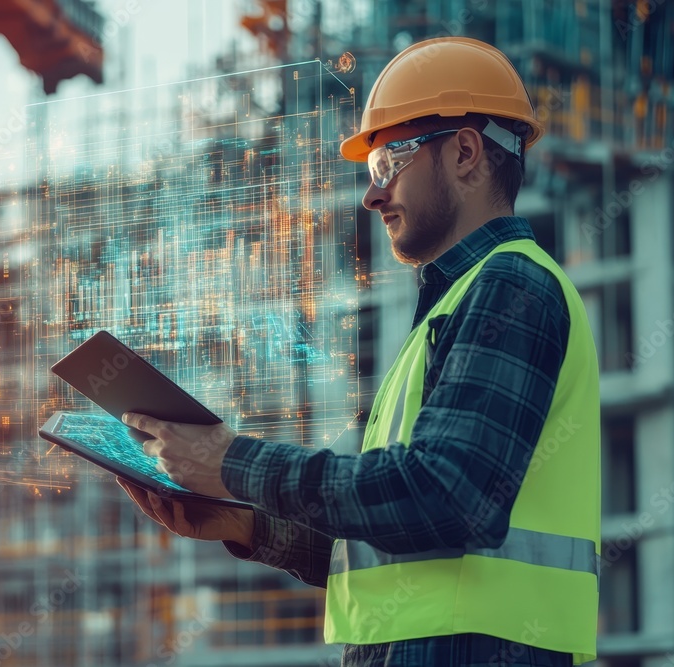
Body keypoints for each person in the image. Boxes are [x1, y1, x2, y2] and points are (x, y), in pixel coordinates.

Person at [117, 36, 600, 667]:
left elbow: (444, 498)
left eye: (388, 163)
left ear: (464, 151)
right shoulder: (452, 308)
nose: (372, 197)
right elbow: (395, 537)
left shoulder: (510, 287)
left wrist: (230, 461)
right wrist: (244, 523)